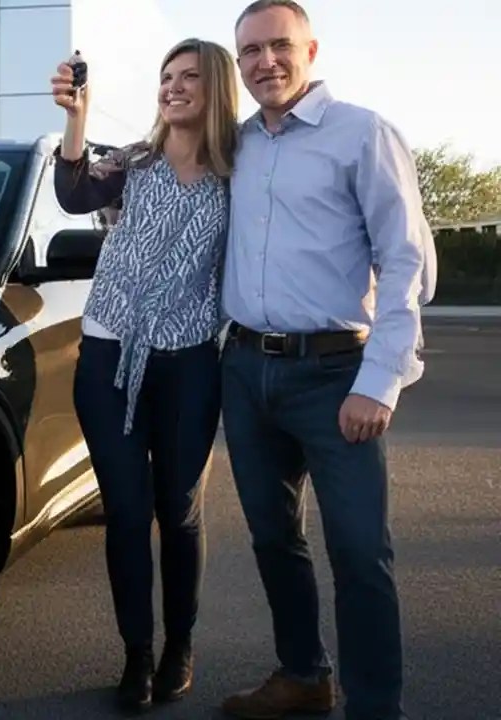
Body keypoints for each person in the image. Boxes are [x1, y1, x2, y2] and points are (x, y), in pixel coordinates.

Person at [217, 2, 436, 719]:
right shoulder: (238, 144)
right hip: (247, 372)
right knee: (273, 538)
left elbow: (407, 261)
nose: (265, 62)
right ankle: (304, 674)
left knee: (359, 554)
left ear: (311, 49)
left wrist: (381, 380)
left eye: (279, 46)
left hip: (337, 373)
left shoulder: (362, 133)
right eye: (250, 51)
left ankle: (376, 707)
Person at [48, 38, 240, 712]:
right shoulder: (133, 163)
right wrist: (78, 116)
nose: (173, 87)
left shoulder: (236, 174)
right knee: (127, 513)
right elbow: (74, 193)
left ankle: (179, 647)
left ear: (216, 89)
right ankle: (136, 654)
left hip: (189, 361)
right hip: (108, 358)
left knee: (179, 513)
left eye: (189, 77)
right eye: (166, 77)